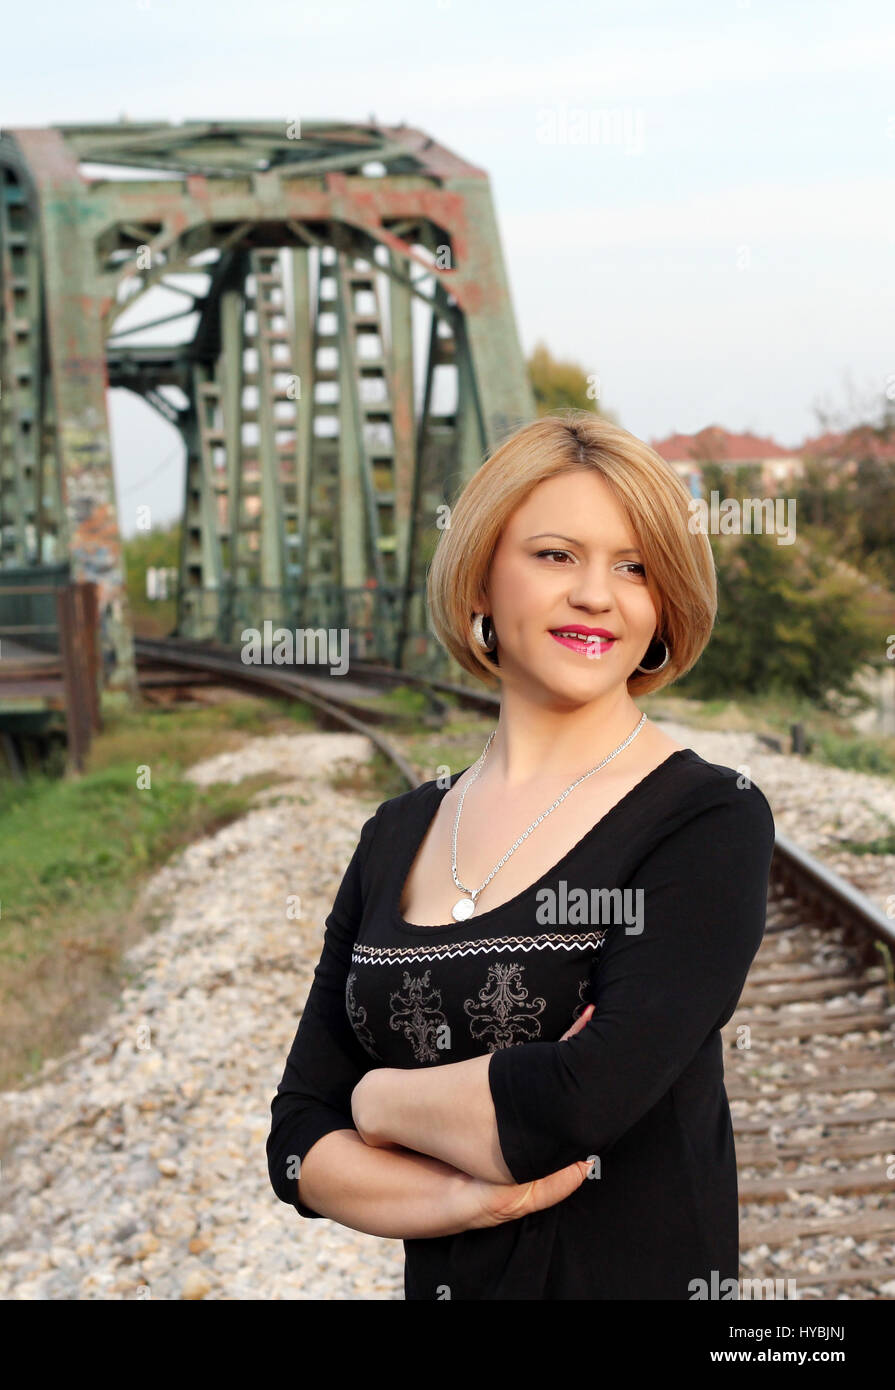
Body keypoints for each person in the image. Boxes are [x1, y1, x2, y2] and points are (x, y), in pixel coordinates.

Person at [265, 410, 775, 1299]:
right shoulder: (396, 833)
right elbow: (297, 1145)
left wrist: (377, 1102)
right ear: (479, 582)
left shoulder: (704, 819)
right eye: (554, 555)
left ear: (661, 609)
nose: (596, 595)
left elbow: (579, 1100)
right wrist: (471, 1201)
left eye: (634, 566)